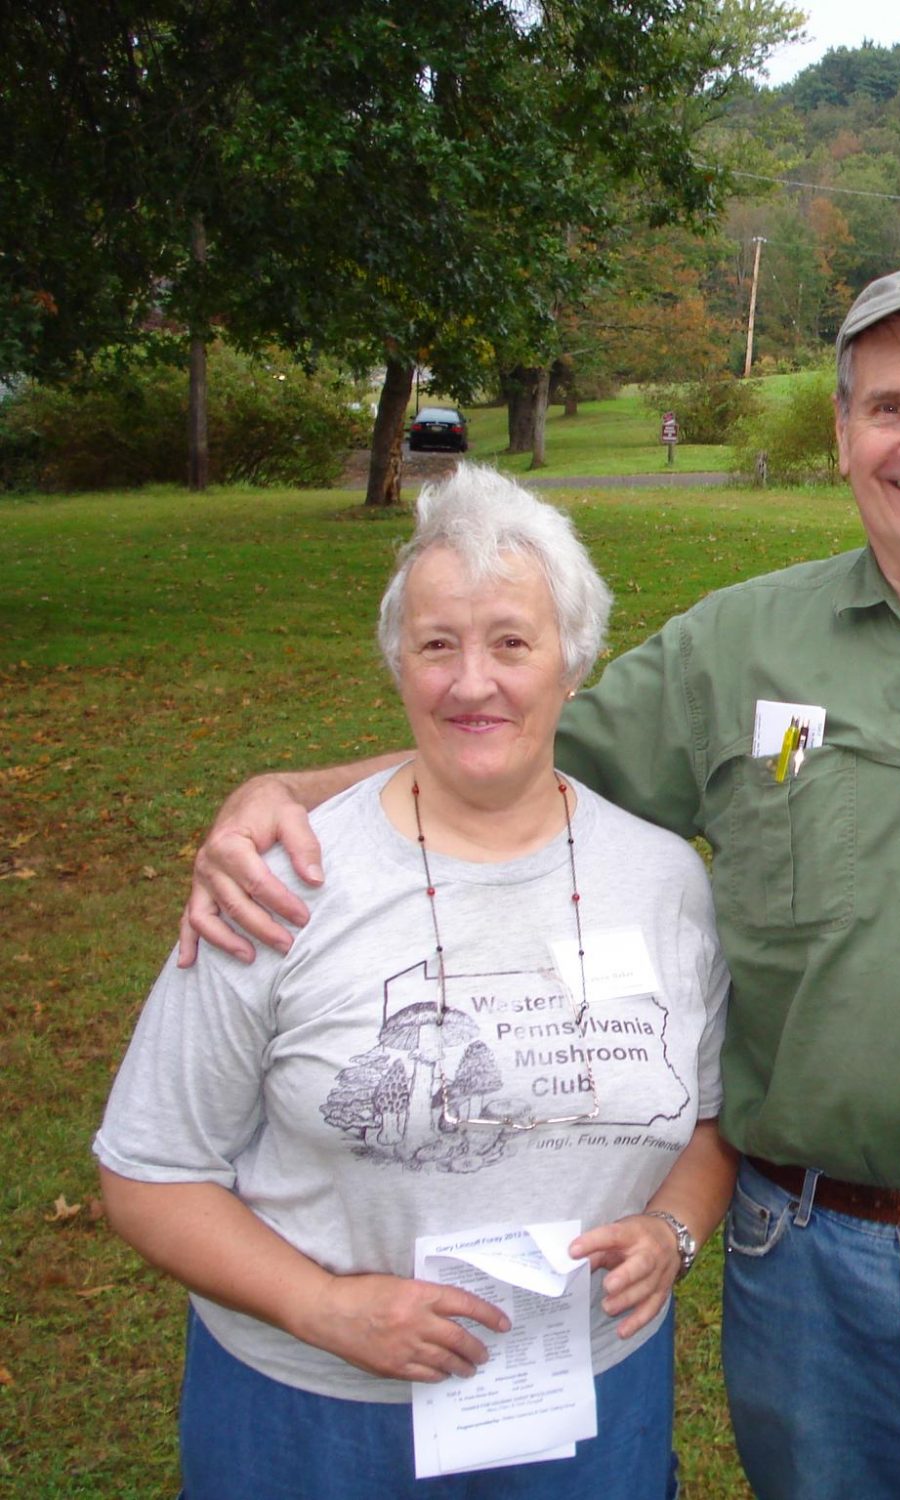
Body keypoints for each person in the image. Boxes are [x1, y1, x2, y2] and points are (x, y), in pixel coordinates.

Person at [179, 267, 900, 1499]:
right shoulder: (733, 651)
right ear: (841, 434)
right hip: (806, 1266)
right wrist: (291, 790)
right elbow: (508, 747)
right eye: (888, 409)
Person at [97, 467, 736, 1498]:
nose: (471, 682)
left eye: (511, 643)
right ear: (397, 663)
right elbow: (148, 1169)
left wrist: (671, 1231)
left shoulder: (662, 879)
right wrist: (319, 1305)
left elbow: (708, 1124)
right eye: (437, 644)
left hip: (581, 1399)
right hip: (314, 1413)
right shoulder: (277, 883)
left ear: (573, 665)